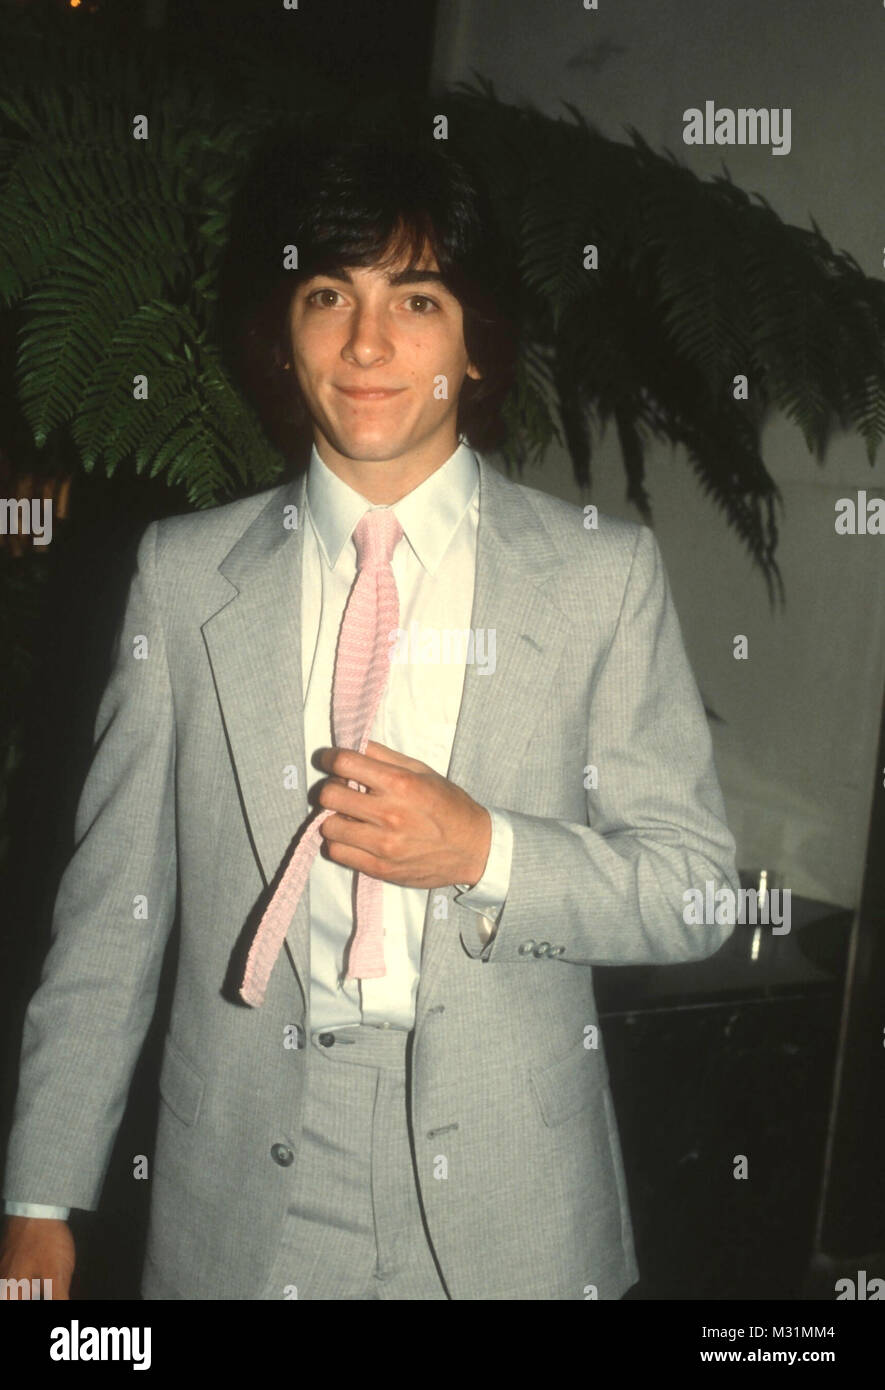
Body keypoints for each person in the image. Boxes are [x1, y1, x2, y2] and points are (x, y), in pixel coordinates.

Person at [0, 118, 739, 1300]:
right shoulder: (183, 578)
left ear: (480, 342)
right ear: (282, 342)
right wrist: (39, 1199)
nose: (367, 343)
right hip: (241, 1186)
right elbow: (109, 919)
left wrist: (485, 850)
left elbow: (695, 890)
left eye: (419, 300)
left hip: (514, 1196)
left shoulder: (602, 575)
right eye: (328, 295)